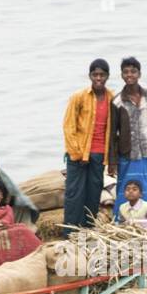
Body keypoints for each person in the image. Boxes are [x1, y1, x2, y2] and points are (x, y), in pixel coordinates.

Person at [62, 59, 115, 234]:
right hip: (79, 154)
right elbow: (69, 126)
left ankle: (88, 230)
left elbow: (114, 129)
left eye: (102, 75)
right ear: (90, 76)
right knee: (74, 194)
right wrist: (77, 154)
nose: (98, 78)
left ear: (107, 76)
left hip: (100, 154)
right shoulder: (79, 97)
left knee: (93, 194)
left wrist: (112, 158)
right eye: (95, 74)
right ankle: (70, 232)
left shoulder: (112, 98)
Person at [112, 57, 147, 219]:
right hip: (127, 154)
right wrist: (112, 161)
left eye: (133, 72)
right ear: (121, 75)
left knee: (146, 189)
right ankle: (120, 221)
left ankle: (146, 222)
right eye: (126, 72)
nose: (130, 75)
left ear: (139, 74)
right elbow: (113, 133)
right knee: (124, 189)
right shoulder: (117, 101)